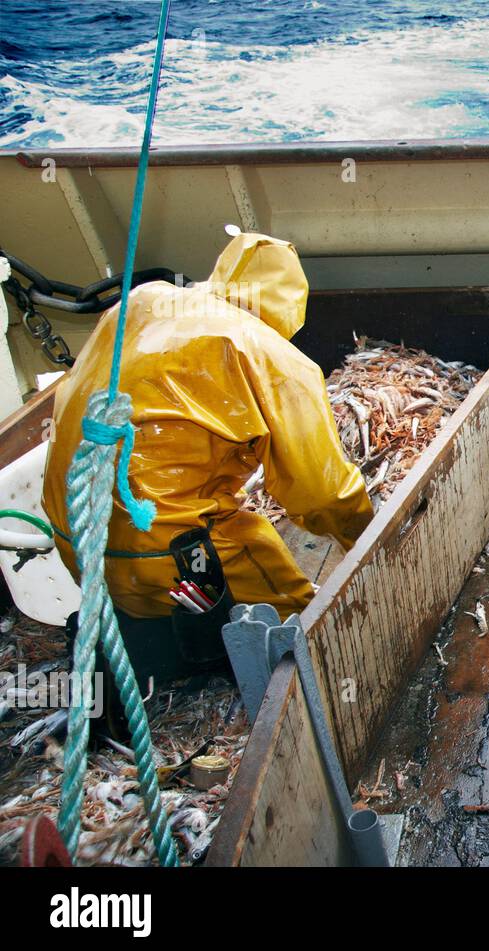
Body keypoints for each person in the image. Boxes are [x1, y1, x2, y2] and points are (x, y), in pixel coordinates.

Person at [42, 232, 373, 667]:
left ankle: (156, 648)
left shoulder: (139, 303)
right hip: (175, 565)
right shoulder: (266, 353)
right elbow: (322, 493)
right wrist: (369, 536)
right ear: (290, 309)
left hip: (80, 548)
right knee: (310, 627)